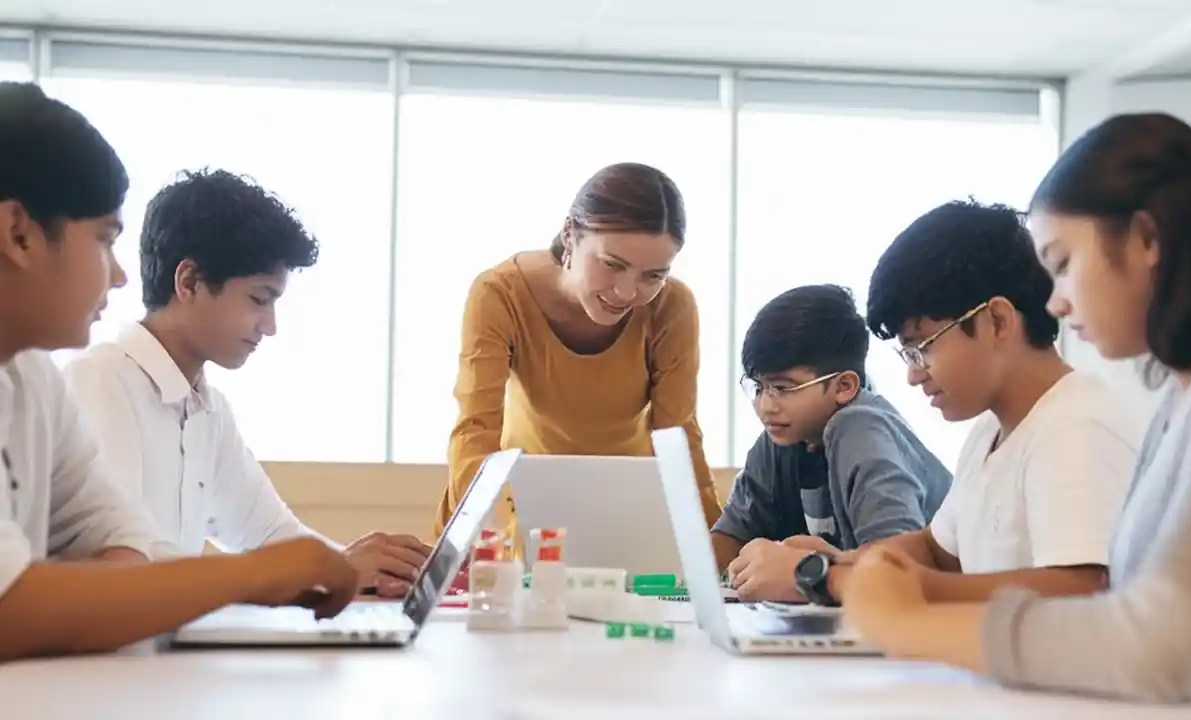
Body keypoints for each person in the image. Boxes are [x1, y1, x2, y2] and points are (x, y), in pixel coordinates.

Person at [840, 113, 1191, 703]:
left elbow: (1166, 643)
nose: (1057, 301)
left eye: (1064, 263)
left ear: (1147, 240)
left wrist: (910, 624)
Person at [0, 81, 356, 660]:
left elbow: (123, 540)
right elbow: (9, 605)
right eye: (103, 241)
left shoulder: (33, 380)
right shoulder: (97, 378)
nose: (117, 276)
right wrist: (254, 577)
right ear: (19, 234)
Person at [63, 169, 430, 599]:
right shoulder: (101, 382)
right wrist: (327, 570)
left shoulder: (207, 407)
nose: (269, 326)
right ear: (189, 283)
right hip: (108, 659)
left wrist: (351, 571)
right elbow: (124, 559)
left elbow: (269, 533)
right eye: (259, 299)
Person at [795, 200, 1140, 607]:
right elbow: (937, 552)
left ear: (997, 320)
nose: (913, 373)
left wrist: (878, 590)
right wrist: (842, 567)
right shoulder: (990, 433)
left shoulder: (1076, 427)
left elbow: (1082, 590)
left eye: (921, 348)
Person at [440, 162, 720, 537]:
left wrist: (713, 542)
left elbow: (677, 437)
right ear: (570, 235)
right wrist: (495, 529)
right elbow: (475, 430)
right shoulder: (500, 294)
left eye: (653, 276)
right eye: (612, 265)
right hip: (511, 510)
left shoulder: (672, 306)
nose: (626, 292)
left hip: (623, 515)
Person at [711, 284, 951, 601]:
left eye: (783, 388)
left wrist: (808, 571)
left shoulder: (860, 428)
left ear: (844, 386)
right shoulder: (780, 436)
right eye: (759, 386)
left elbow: (898, 568)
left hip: (927, 620)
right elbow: (729, 540)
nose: (765, 405)